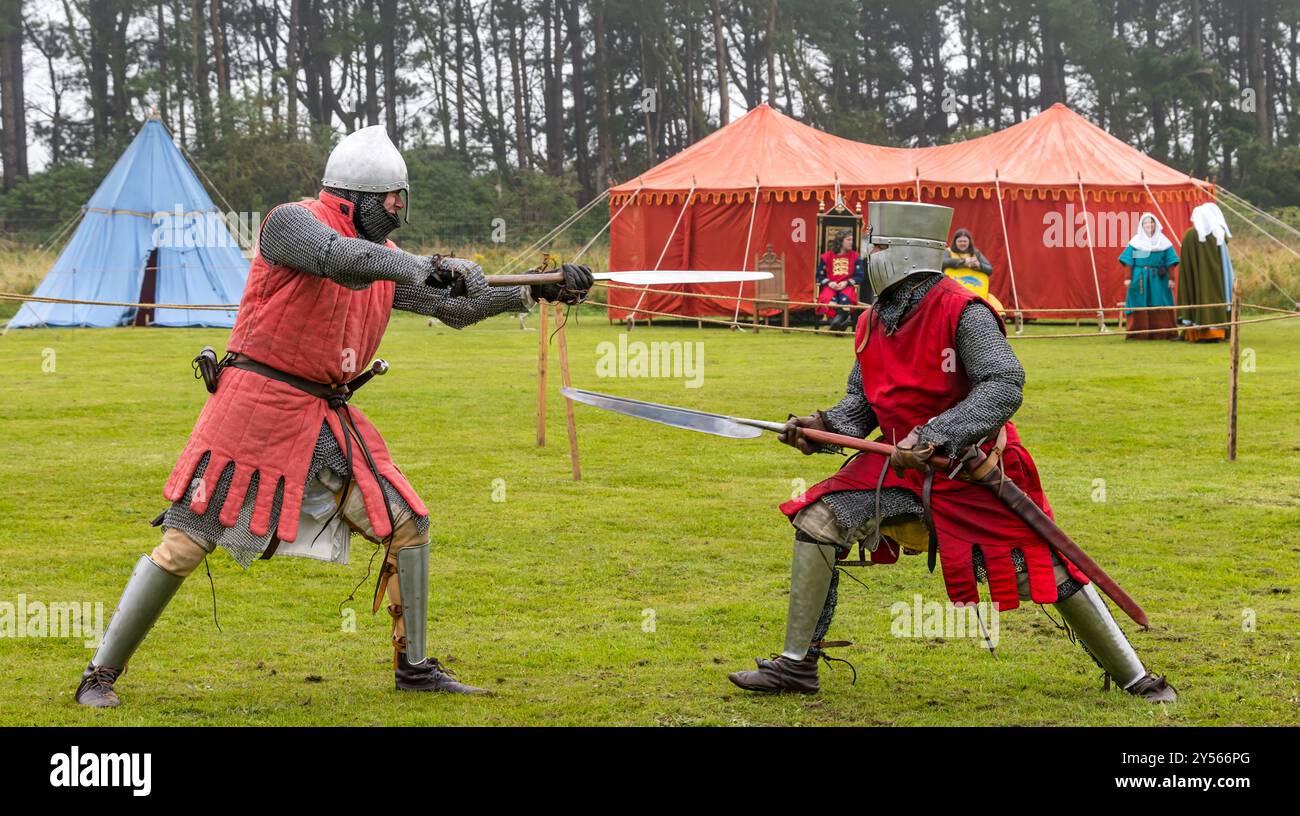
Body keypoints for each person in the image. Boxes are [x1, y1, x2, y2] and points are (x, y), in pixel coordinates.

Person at [74, 125, 594, 707]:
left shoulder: (389, 262)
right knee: (185, 543)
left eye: (402, 196)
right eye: (389, 197)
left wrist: (537, 291)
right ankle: (99, 674)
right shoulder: (290, 223)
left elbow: (454, 306)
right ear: (353, 198)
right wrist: (430, 264)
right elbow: (336, 257)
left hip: (324, 415)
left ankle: (414, 667)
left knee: (406, 523)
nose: (398, 207)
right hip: (253, 408)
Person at [727, 200, 1176, 702]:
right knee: (818, 521)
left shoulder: (963, 309)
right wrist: (824, 426)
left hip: (971, 467)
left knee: (1040, 571)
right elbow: (864, 401)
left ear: (902, 252)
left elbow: (1004, 382)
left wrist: (937, 433)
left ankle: (1135, 677)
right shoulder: (873, 320)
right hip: (896, 466)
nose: (867, 255)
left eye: (875, 245)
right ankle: (795, 666)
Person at [1176, 202, 1233, 342]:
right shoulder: (1219, 234)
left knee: (1199, 297)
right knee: (1216, 299)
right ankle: (1216, 332)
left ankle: (1199, 333)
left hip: (1197, 279)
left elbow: (1185, 265)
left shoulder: (1190, 235)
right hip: (1218, 279)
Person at [1118, 213, 1179, 340]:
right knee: (1138, 301)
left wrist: (1171, 279)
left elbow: (1171, 261)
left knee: (1160, 301)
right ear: (1142, 225)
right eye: (1145, 223)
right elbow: (1129, 261)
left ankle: (1162, 333)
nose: (1149, 225)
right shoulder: (1135, 242)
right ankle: (1138, 333)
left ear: (1155, 224)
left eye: (1151, 222)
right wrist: (1128, 278)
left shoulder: (1164, 242)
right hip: (1139, 277)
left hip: (1159, 278)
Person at [816, 231, 863, 332]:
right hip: (830, 286)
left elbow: (859, 276)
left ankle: (836, 323)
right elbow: (819, 275)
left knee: (846, 299)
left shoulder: (855, 257)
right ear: (840, 241)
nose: (851, 242)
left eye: (852, 240)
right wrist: (829, 283)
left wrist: (847, 283)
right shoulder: (826, 257)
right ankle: (839, 324)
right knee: (827, 299)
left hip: (847, 286)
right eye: (848, 240)